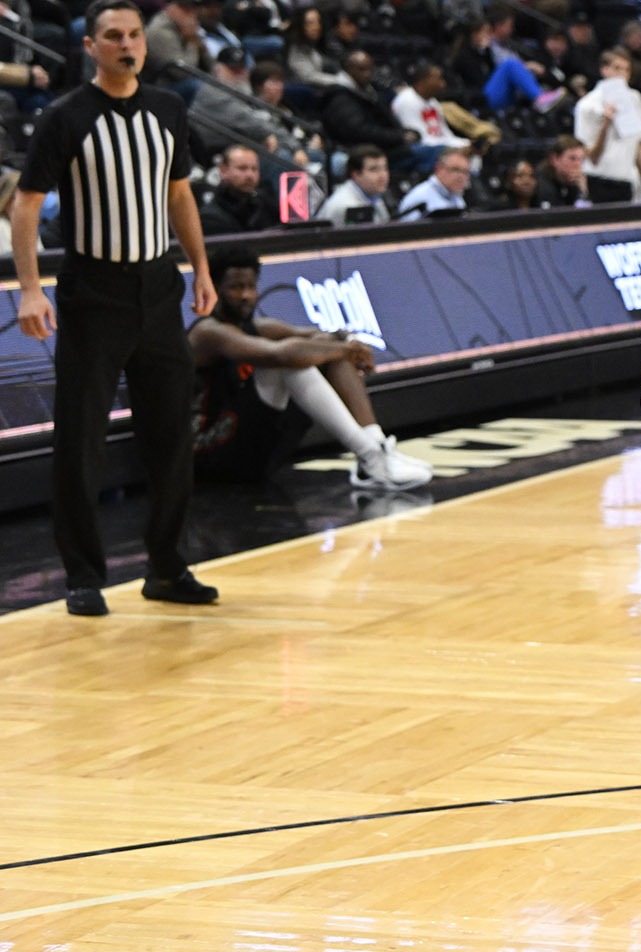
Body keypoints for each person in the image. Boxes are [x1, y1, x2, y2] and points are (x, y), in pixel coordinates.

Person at [11, 0, 220, 617]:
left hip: (158, 288)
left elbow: (179, 195)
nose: (127, 44)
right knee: (81, 438)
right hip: (93, 289)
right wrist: (29, 288)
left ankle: (166, 566)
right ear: (91, 46)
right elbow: (26, 206)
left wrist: (201, 269)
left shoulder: (169, 109)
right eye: (113, 36)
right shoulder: (65, 116)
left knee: (172, 434)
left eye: (134, 35)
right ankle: (82, 574)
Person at [189, 246, 431, 488]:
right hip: (208, 452)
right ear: (216, 288)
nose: (245, 295)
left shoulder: (261, 327)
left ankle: (376, 449)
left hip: (249, 449)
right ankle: (370, 455)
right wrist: (343, 348)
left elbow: (323, 336)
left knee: (327, 352)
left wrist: (345, 341)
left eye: (250, 287)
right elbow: (280, 355)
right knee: (289, 362)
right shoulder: (209, 333)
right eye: (235, 287)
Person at [573, 47, 641, 203]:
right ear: (604, 69)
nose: (621, 75)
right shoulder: (587, 105)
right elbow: (591, 156)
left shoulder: (634, 98)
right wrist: (606, 124)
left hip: (626, 179)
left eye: (626, 70)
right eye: (617, 68)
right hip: (597, 179)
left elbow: (637, 144)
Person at [198, 144, 274, 234]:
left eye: (254, 169)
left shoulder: (264, 205)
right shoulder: (210, 218)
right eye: (242, 168)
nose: (250, 175)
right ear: (223, 171)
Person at [317, 144, 390, 225]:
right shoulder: (345, 206)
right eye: (374, 169)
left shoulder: (374, 196)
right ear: (356, 174)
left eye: (385, 168)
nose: (383, 175)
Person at [395, 145, 472, 219]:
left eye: (465, 172)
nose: (461, 177)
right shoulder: (420, 198)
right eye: (455, 170)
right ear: (439, 168)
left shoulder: (455, 195)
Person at [533, 134, 592, 207]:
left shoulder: (575, 182)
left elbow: (586, 215)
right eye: (572, 158)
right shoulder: (540, 184)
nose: (578, 165)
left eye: (581, 159)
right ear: (554, 159)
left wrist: (583, 192)